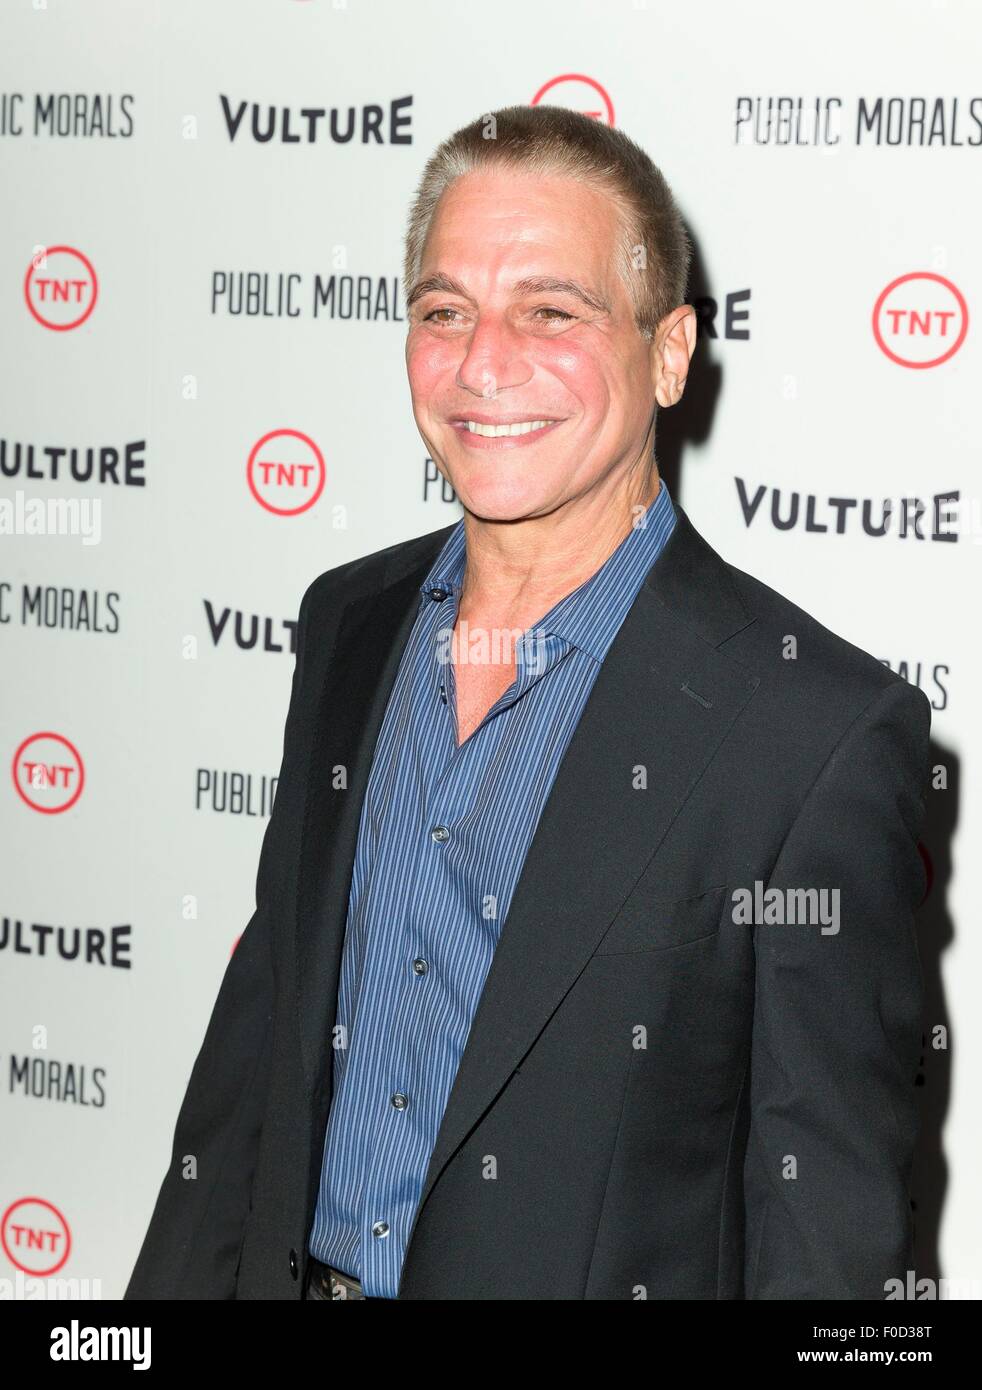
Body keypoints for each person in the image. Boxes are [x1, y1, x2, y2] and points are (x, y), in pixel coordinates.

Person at [124, 105, 930, 1301]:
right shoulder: (346, 624)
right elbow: (259, 1052)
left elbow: (828, 1236)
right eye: (444, 311)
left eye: (551, 312)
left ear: (668, 352)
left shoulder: (811, 732)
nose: (483, 361)